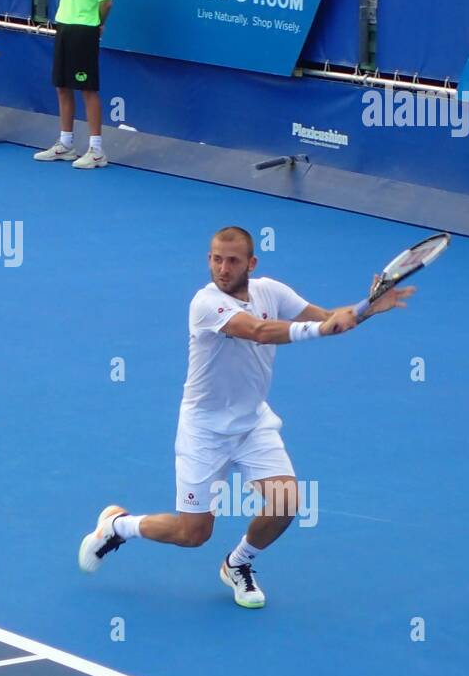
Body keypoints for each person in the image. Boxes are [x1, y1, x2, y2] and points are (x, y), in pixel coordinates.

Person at [77, 226, 414, 609]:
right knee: (193, 533)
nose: (222, 268)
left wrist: (367, 308)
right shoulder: (204, 304)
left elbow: (329, 318)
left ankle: (237, 564)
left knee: (286, 502)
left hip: (253, 423)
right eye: (216, 259)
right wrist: (323, 327)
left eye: (233, 260)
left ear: (251, 264)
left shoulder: (272, 291)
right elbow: (260, 331)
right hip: (204, 430)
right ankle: (119, 526)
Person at [35, 0, 112, 171]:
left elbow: (106, 1)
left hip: (84, 30)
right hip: (64, 26)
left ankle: (97, 150)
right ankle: (66, 144)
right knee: (62, 86)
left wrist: (97, 24)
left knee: (87, 88)